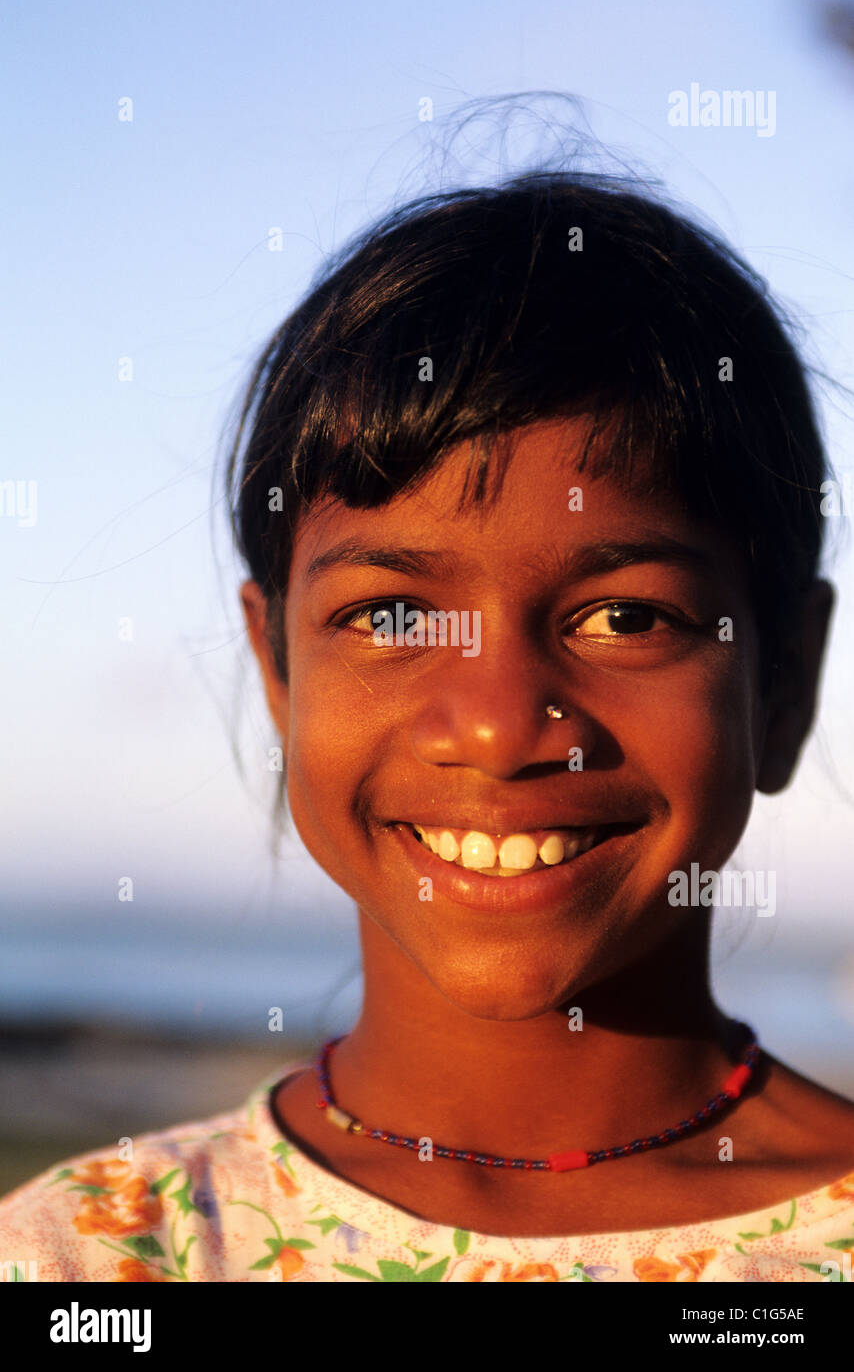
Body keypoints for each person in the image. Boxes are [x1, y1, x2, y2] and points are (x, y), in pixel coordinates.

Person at [3, 171, 854, 1283]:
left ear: (781, 681)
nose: (500, 728)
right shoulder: (95, 1258)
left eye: (624, 615)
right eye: (393, 615)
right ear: (277, 669)